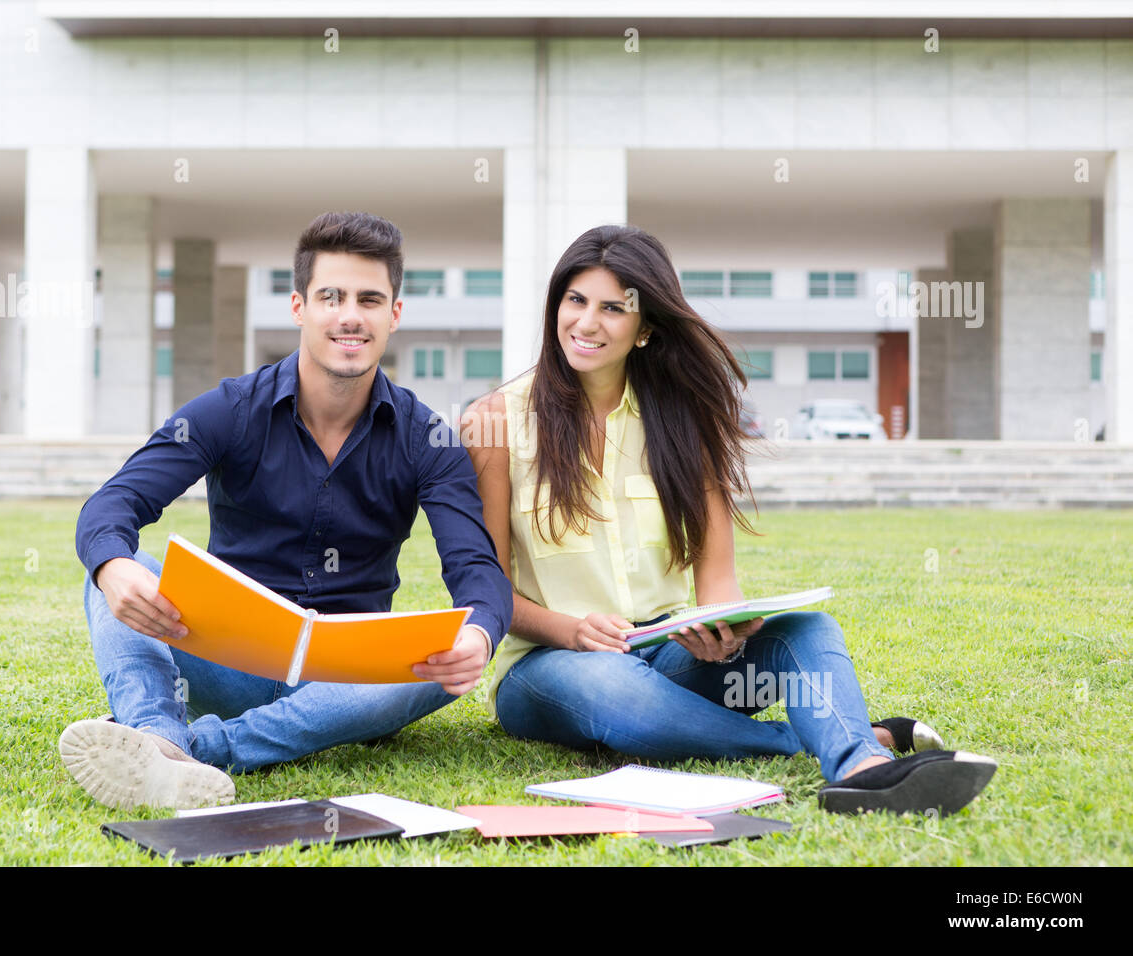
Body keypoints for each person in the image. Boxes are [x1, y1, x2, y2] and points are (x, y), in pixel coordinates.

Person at [462, 224, 995, 816]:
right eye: (576, 300)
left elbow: (716, 577)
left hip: (664, 649)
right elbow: (492, 591)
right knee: (614, 689)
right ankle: (812, 740)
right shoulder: (496, 421)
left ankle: (861, 767)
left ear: (646, 330)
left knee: (809, 630)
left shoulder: (683, 421)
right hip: (549, 669)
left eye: (614, 309)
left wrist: (722, 630)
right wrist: (573, 631)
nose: (587, 323)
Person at [61, 211, 512, 810]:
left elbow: (477, 569)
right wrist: (113, 566)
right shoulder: (228, 409)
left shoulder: (426, 438)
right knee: (117, 566)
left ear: (394, 314)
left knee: (437, 668)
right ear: (299, 306)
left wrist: (479, 634)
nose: (350, 315)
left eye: (370, 299)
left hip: (347, 678)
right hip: (222, 658)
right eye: (332, 296)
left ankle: (185, 750)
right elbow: (113, 503)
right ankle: (157, 735)